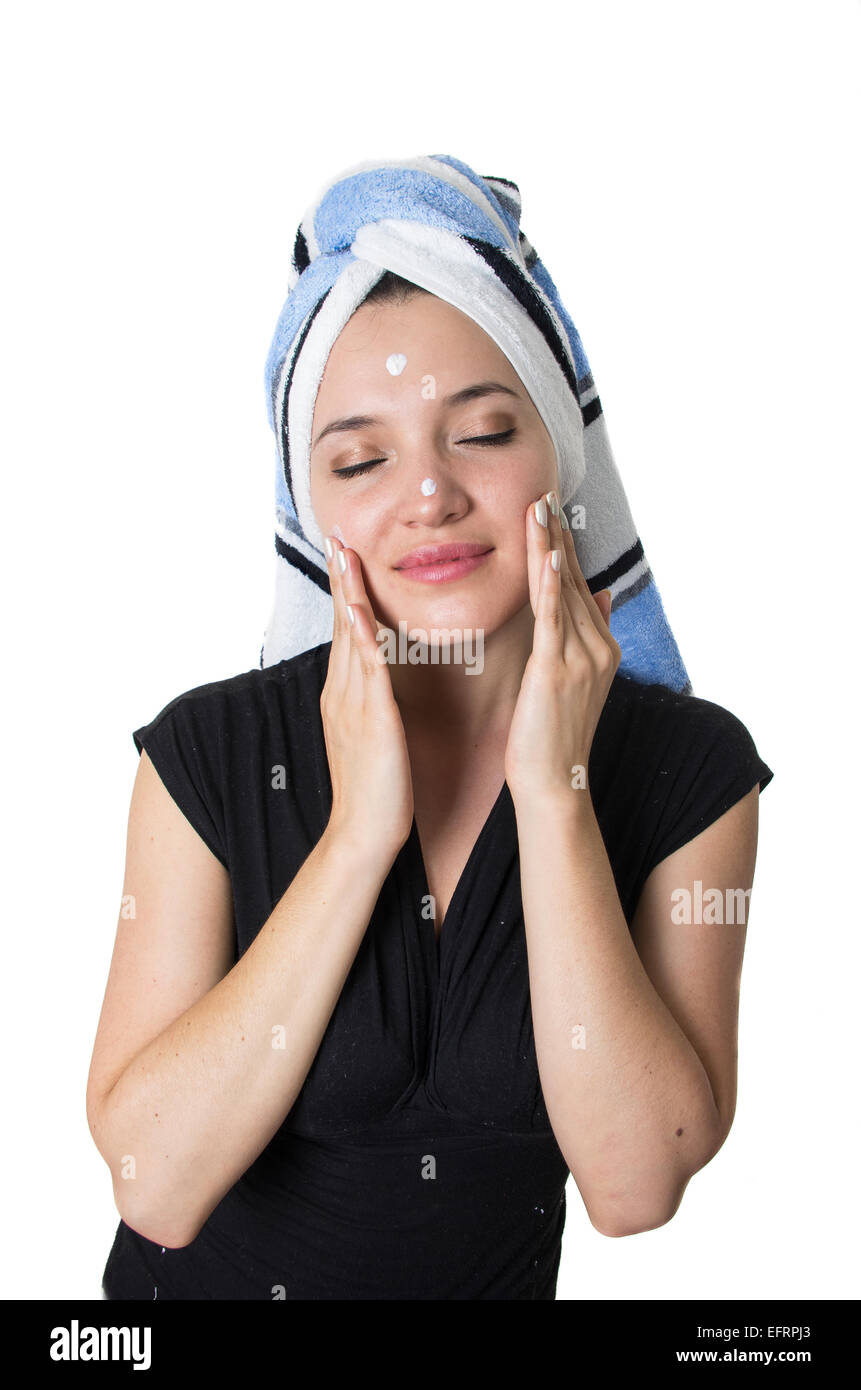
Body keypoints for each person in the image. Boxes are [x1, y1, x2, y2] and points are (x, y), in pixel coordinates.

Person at [88, 158, 773, 1300]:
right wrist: (358, 833)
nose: (429, 495)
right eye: (363, 457)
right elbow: (153, 1183)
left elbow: (634, 1184)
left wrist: (555, 795)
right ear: (313, 506)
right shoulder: (204, 755)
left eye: (485, 432)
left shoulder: (689, 773)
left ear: (559, 454)